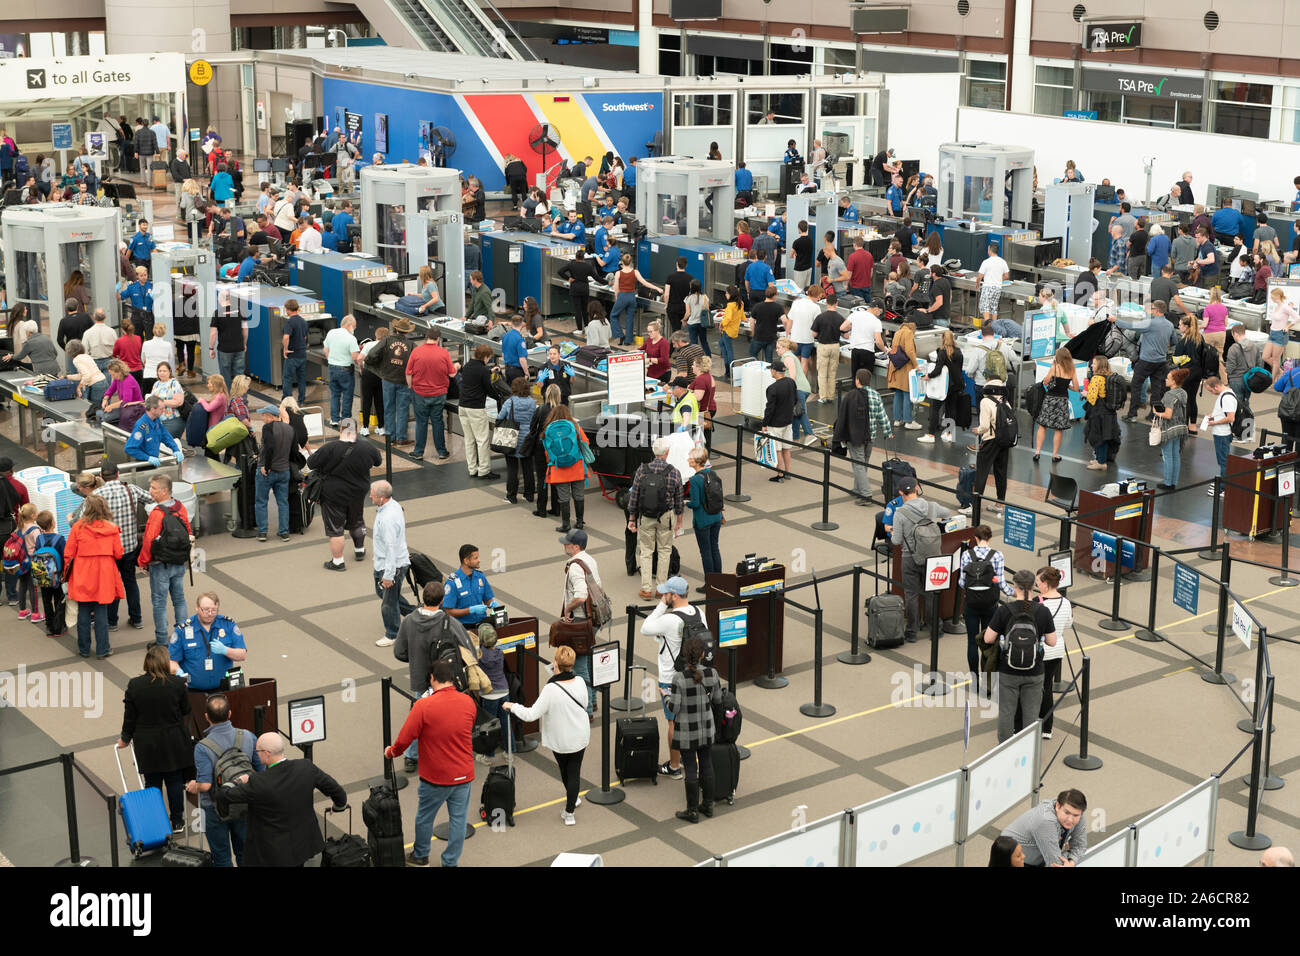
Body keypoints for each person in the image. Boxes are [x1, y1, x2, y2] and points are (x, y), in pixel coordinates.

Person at [384, 658, 476, 865]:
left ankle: (421, 854)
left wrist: (391, 753)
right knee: (458, 820)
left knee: (425, 817)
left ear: (432, 679)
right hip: (463, 774)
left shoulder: (423, 706)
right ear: (452, 678)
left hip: (435, 777)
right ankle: (450, 861)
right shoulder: (468, 702)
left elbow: (404, 740)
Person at [214, 732, 347, 868]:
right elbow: (338, 792)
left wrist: (238, 781)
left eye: (257, 751)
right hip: (308, 847)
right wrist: (338, 806)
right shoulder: (306, 767)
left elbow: (224, 795)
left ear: (266, 753)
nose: (257, 754)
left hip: (274, 856)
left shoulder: (258, 783)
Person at [502, 644, 590, 826]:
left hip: (561, 739)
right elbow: (584, 704)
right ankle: (571, 806)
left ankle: (570, 808)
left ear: (556, 664)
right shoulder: (580, 681)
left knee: (566, 771)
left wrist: (513, 706)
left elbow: (531, 714)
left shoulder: (551, 689)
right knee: (574, 771)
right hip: (580, 736)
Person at [118, 645, 192, 831]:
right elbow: (186, 710)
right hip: (173, 740)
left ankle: (157, 820)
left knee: (152, 782)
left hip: (147, 742)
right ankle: (177, 821)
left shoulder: (135, 685)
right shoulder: (177, 683)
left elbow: (130, 717)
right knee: (175, 780)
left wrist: (125, 739)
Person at [640, 576, 706, 779]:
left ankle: (675, 765)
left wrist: (661, 605)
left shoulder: (669, 619)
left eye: (665, 594)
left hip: (670, 677)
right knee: (694, 717)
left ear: (673, 595)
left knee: (673, 722)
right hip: (695, 674)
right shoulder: (699, 613)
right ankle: (692, 760)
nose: (662, 596)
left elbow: (645, 628)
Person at [983, 569, 1059, 743]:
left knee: (1006, 713)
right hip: (1035, 671)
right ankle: (1027, 751)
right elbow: (1052, 641)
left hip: (1008, 671)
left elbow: (988, 638)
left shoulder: (1004, 610)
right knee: (1031, 715)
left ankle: (1004, 750)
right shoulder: (1042, 611)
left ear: (1014, 586)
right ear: (1033, 587)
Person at [186, 693, 261, 867]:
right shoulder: (248, 736)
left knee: (221, 857)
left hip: (214, 808)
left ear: (206, 717)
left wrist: (193, 786)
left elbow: (205, 785)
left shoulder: (203, 747)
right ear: (229, 714)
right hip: (244, 802)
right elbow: (261, 771)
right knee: (244, 852)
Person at [309, 418, 382, 572]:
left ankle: (338, 561)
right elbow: (378, 461)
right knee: (357, 519)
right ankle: (360, 550)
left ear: (341, 430)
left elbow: (311, 463)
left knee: (336, 527)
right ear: (355, 431)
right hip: (358, 492)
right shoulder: (366, 447)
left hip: (333, 494)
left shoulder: (330, 448)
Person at [665, 636, 722, 824]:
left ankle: (692, 811)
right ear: (703, 655)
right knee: (707, 764)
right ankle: (707, 805)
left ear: (684, 655)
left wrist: (666, 698)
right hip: (706, 728)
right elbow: (717, 701)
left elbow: (674, 708)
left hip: (686, 732)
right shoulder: (712, 674)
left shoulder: (679, 679)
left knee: (691, 768)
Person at [891, 478, 951, 645]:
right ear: (917, 488)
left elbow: (896, 541)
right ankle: (935, 629)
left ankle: (912, 632)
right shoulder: (931, 506)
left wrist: (893, 530)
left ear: (901, 493)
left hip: (910, 558)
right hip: (933, 557)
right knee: (931, 594)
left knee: (911, 595)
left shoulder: (900, 513)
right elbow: (947, 514)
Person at [64, 494, 125, 659]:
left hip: (82, 572)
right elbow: (119, 553)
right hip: (104, 573)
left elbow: (68, 553)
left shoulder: (78, 527)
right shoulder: (112, 528)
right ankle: (103, 649)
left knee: (83, 611)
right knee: (101, 611)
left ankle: (84, 649)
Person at [959, 525, 1015, 697]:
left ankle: (974, 681)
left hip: (971, 604)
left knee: (971, 641)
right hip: (991, 604)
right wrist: (1013, 592)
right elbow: (1000, 581)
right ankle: (987, 683)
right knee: (988, 642)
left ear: (975, 538)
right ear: (990, 538)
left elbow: (962, 582)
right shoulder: (997, 555)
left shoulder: (967, 555)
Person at [137, 473, 192, 646]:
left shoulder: (157, 513)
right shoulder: (180, 507)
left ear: (164, 490)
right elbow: (188, 531)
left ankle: (162, 642)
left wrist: (143, 562)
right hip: (179, 561)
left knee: (159, 604)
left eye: (153, 488)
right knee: (179, 599)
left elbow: (148, 541)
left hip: (161, 564)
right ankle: (183, 638)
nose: (150, 491)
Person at [628, 436, 685, 600]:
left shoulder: (642, 470)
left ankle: (646, 589)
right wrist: (678, 522)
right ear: (667, 452)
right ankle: (661, 588)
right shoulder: (673, 472)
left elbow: (635, 497)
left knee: (646, 551)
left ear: (653, 452)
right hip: (666, 517)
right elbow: (679, 500)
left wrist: (632, 519)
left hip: (646, 516)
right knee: (664, 551)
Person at [365, 480, 415, 648]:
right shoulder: (393, 506)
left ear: (381, 497)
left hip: (391, 565)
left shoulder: (387, 519)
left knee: (388, 601)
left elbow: (391, 548)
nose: (370, 495)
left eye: (372, 493)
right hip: (385, 562)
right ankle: (417, 614)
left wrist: (388, 575)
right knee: (386, 595)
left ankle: (392, 633)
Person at [834, 368, 891, 504]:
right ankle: (858, 489)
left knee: (858, 464)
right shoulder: (875, 395)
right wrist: (887, 431)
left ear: (858, 380)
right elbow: (881, 415)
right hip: (871, 436)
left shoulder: (852, 395)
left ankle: (866, 494)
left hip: (855, 436)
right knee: (863, 463)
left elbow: (844, 417)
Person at [1113, 300, 1175, 422]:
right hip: (1161, 361)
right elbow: (1173, 341)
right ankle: (1154, 414)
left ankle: (1132, 414)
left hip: (1146, 360)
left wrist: (1115, 320)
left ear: (1156, 310)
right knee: (1157, 389)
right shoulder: (1170, 325)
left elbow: (1131, 326)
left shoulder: (1149, 323)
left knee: (1136, 386)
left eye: (1152, 309)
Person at [406, 329, 458, 462]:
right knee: (438, 422)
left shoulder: (416, 351)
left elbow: (408, 373)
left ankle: (418, 452)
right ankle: (442, 452)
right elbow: (452, 374)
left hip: (419, 393)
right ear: (438, 338)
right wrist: (456, 366)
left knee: (421, 423)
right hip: (439, 394)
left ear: (426, 337)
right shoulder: (443, 353)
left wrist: (411, 386)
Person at [365, 315, 418, 445]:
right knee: (402, 409)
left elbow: (371, 354)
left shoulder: (387, 340)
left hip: (387, 379)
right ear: (407, 331)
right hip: (403, 381)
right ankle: (401, 438)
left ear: (395, 329)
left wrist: (375, 365)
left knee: (388, 408)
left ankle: (390, 437)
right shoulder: (412, 345)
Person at [1001, 789, 1088, 867]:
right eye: (1066, 813)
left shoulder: (1079, 814)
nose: (1070, 819)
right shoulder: (1045, 821)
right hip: (1012, 858)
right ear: (1058, 806)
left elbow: (1080, 846)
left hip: (1039, 857)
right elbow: (1055, 863)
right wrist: (1067, 859)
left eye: (1076, 815)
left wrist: (1071, 862)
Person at [1033, 567, 1072, 739]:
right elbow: (1068, 625)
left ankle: (1031, 723)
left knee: (1034, 688)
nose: (1037, 585)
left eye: (1038, 582)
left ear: (1046, 584)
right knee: (1047, 687)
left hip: (1040, 651)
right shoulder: (1066, 603)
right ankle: (1047, 728)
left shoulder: (1037, 602)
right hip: (1057, 651)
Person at [1030, 346, 1078, 463]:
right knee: (1058, 429)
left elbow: (1045, 381)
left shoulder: (1055, 368)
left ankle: (1037, 452)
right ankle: (1055, 455)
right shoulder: (1072, 369)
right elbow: (1076, 388)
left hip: (1050, 399)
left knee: (1042, 426)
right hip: (1062, 401)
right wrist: (1067, 386)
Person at [252, 404, 293, 542]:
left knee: (261, 501)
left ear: (270, 416)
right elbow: (293, 451)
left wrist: (265, 465)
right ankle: (284, 532)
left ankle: (262, 532)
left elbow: (268, 447)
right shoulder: (289, 428)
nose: (262, 418)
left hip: (267, 472)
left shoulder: (268, 428)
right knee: (283, 502)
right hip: (284, 470)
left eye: (263, 415)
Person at [917, 329, 963, 446]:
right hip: (956, 385)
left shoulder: (942, 352)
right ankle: (948, 434)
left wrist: (929, 376)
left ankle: (931, 435)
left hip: (944, 386)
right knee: (951, 409)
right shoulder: (959, 352)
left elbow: (938, 370)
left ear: (943, 338)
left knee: (934, 409)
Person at [683, 447, 724, 573]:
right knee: (714, 548)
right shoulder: (712, 473)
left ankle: (710, 583)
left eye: (690, 458)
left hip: (702, 520)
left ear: (696, 461)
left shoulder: (695, 480)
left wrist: (685, 503)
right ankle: (718, 579)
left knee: (705, 552)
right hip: (716, 516)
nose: (687, 459)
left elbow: (695, 503)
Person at [321, 315, 361, 427]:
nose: (354, 329)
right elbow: (354, 357)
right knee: (347, 395)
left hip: (332, 368)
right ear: (349, 325)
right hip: (346, 370)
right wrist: (361, 365)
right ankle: (345, 419)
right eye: (354, 326)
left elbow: (326, 349)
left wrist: (332, 359)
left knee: (335, 394)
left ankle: (334, 419)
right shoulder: (351, 338)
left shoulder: (331, 333)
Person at [32, 510, 67, 636]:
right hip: (57, 577)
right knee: (59, 600)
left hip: (43, 577)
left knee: (46, 601)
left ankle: (49, 626)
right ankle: (58, 627)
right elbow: (65, 558)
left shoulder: (39, 539)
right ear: (53, 523)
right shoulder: (60, 539)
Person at [761, 360, 797, 482]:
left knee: (777, 449)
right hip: (788, 420)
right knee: (786, 448)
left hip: (776, 423)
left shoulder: (772, 388)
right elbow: (795, 400)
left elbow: (769, 409)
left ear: (775, 371)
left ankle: (779, 474)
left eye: (771, 369)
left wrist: (764, 424)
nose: (770, 371)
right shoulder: (791, 382)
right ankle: (788, 472)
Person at [123, 396, 185, 465]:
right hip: (143, 464)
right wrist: (147, 458)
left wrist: (175, 449)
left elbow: (165, 436)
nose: (164, 410)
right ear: (153, 409)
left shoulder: (157, 421)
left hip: (154, 462)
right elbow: (129, 448)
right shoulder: (141, 426)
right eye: (161, 409)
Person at [1204, 377, 1239, 487]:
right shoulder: (1226, 394)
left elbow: (1230, 418)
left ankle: (1223, 487)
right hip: (1222, 432)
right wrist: (1214, 416)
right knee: (1223, 460)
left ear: (1217, 386)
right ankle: (1223, 484)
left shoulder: (1226, 398)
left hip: (1222, 433)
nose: (1211, 393)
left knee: (1223, 461)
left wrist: (1214, 423)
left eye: (1211, 390)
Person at [810, 292, 844, 404]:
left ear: (826, 302)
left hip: (823, 346)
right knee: (832, 372)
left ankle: (823, 397)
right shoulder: (840, 318)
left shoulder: (820, 317)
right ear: (836, 303)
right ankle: (831, 396)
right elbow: (846, 335)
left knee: (822, 373)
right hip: (835, 347)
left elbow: (813, 334)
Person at [557, 250, 598, 332]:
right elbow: (596, 277)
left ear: (576, 257)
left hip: (575, 289)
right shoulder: (588, 266)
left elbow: (560, 271)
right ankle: (586, 327)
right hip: (584, 289)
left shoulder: (571, 264)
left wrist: (568, 278)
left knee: (577, 309)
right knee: (585, 309)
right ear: (583, 257)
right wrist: (607, 282)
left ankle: (579, 329)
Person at [278, 298, 309, 405]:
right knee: (301, 379)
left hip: (292, 355)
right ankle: (301, 400)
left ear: (287, 309)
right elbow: (304, 337)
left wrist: (285, 350)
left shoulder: (289, 322)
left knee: (287, 378)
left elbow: (286, 337)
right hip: (302, 354)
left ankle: (287, 400)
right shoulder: (303, 321)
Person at [1265, 287, 1300, 377]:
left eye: (1272, 296)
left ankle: (1272, 382)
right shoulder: (1277, 306)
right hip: (1272, 333)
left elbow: (1297, 317)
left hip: (1280, 334)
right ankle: (1282, 372)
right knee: (1265, 356)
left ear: (1277, 296)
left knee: (1276, 360)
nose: (1271, 298)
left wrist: (1288, 327)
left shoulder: (1285, 307)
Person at [974, 243, 1010, 327]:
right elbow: (1006, 275)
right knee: (994, 308)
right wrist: (997, 279)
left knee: (985, 306)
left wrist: (977, 283)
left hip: (988, 287)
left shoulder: (986, 262)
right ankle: (995, 327)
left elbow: (980, 276)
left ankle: (988, 327)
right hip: (997, 288)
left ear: (990, 250)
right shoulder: (1002, 261)